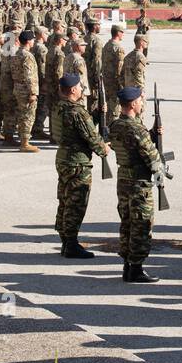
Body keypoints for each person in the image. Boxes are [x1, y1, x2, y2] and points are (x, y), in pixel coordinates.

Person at [108, 86, 164, 283]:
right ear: (132, 104)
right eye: (140, 101)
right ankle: (136, 268)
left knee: (127, 222)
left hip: (123, 179)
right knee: (142, 224)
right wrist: (161, 165)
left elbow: (131, 142)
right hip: (139, 183)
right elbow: (152, 157)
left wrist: (151, 134)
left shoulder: (115, 125)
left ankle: (127, 265)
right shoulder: (137, 129)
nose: (142, 104)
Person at [53, 73, 111, 259]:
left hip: (63, 159)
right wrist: (104, 148)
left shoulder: (59, 107)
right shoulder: (77, 112)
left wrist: (94, 114)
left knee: (64, 200)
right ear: (72, 90)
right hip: (77, 163)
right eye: (79, 87)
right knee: (76, 203)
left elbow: (76, 129)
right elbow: (92, 139)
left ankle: (65, 239)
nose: (81, 90)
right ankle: (71, 244)